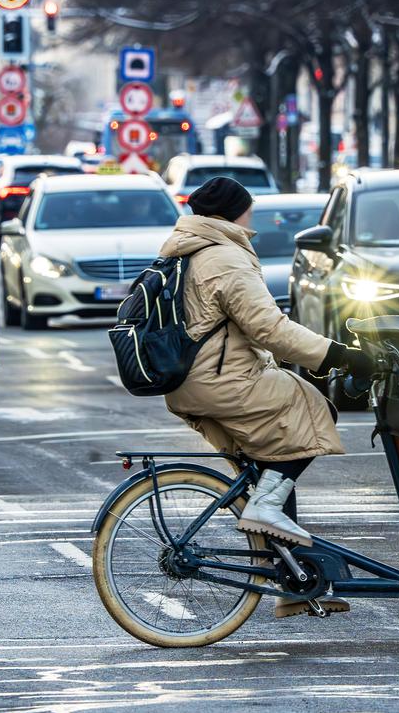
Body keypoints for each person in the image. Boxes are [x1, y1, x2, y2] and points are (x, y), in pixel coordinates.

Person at [159, 176, 374, 618]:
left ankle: (292, 580)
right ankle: (268, 511)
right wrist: (337, 355)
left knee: (274, 459)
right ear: (234, 211)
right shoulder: (225, 257)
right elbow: (269, 329)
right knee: (314, 407)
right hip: (222, 380)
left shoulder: (191, 249)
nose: (251, 219)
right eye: (249, 210)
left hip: (192, 381)